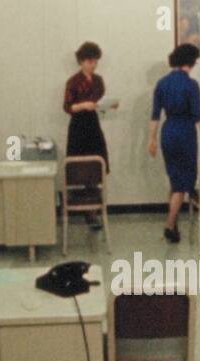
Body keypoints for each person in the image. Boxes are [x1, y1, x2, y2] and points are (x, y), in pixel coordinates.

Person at [147, 43, 200, 243]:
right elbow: (198, 117)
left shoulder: (161, 83)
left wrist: (151, 139)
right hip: (185, 133)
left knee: (174, 179)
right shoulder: (191, 85)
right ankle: (169, 226)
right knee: (183, 184)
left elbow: (155, 115)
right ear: (192, 62)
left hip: (168, 131)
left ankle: (174, 225)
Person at [64, 41, 113, 230]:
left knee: (97, 162)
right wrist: (84, 105)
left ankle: (94, 206)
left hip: (93, 123)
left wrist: (106, 105)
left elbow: (100, 102)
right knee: (81, 164)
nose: (93, 65)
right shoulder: (73, 81)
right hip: (78, 125)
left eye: (95, 61)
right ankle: (88, 211)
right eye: (90, 61)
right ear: (82, 61)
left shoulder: (98, 80)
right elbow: (68, 107)